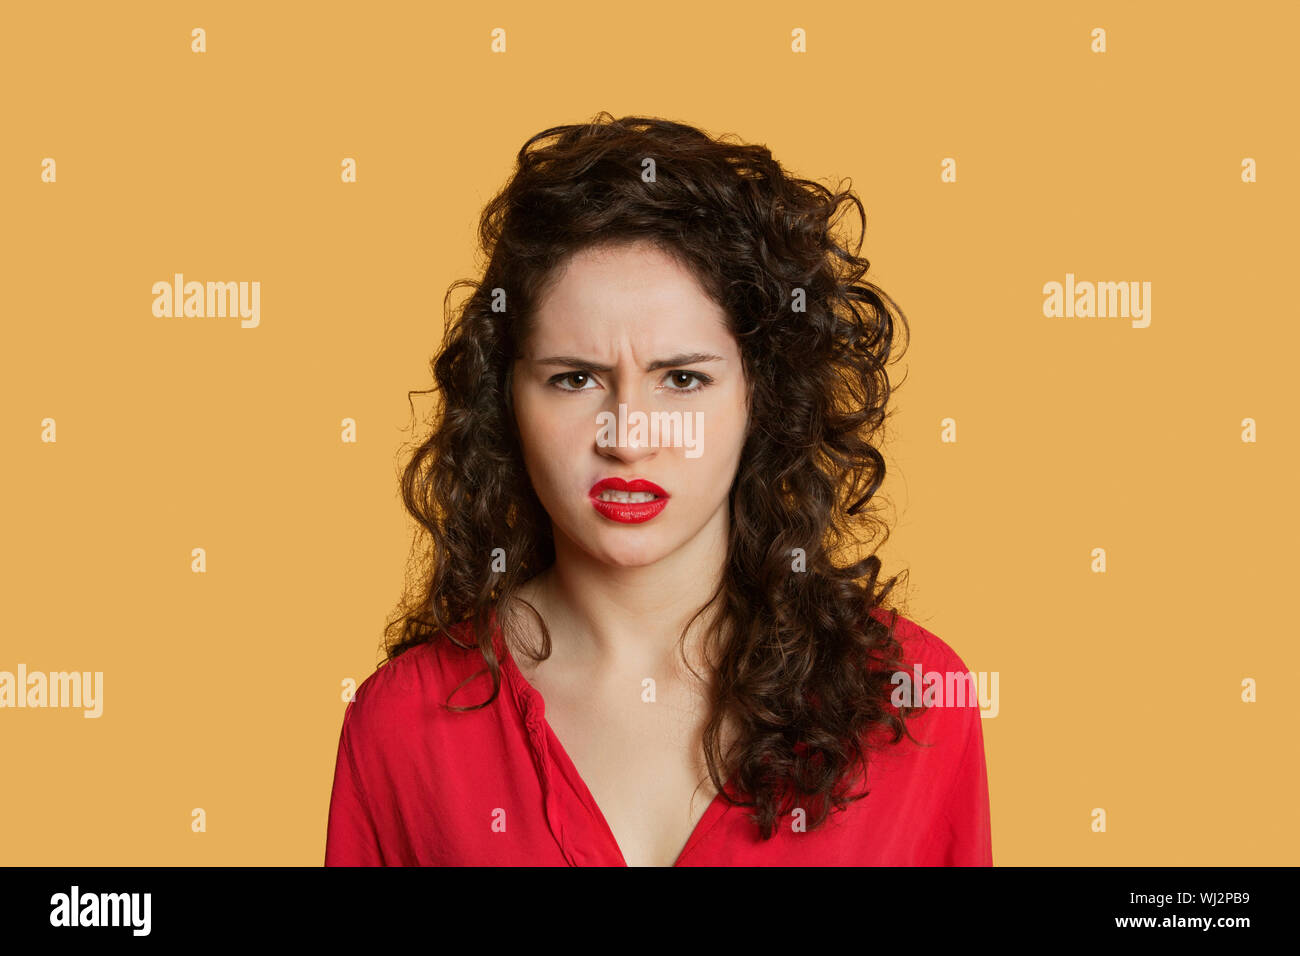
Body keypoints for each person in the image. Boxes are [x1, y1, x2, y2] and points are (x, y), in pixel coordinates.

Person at [325, 112, 991, 866]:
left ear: (760, 396)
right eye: (574, 379)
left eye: (682, 379)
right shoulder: (402, 725)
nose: (629, 437)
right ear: (505, 397)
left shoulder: (917, 702)